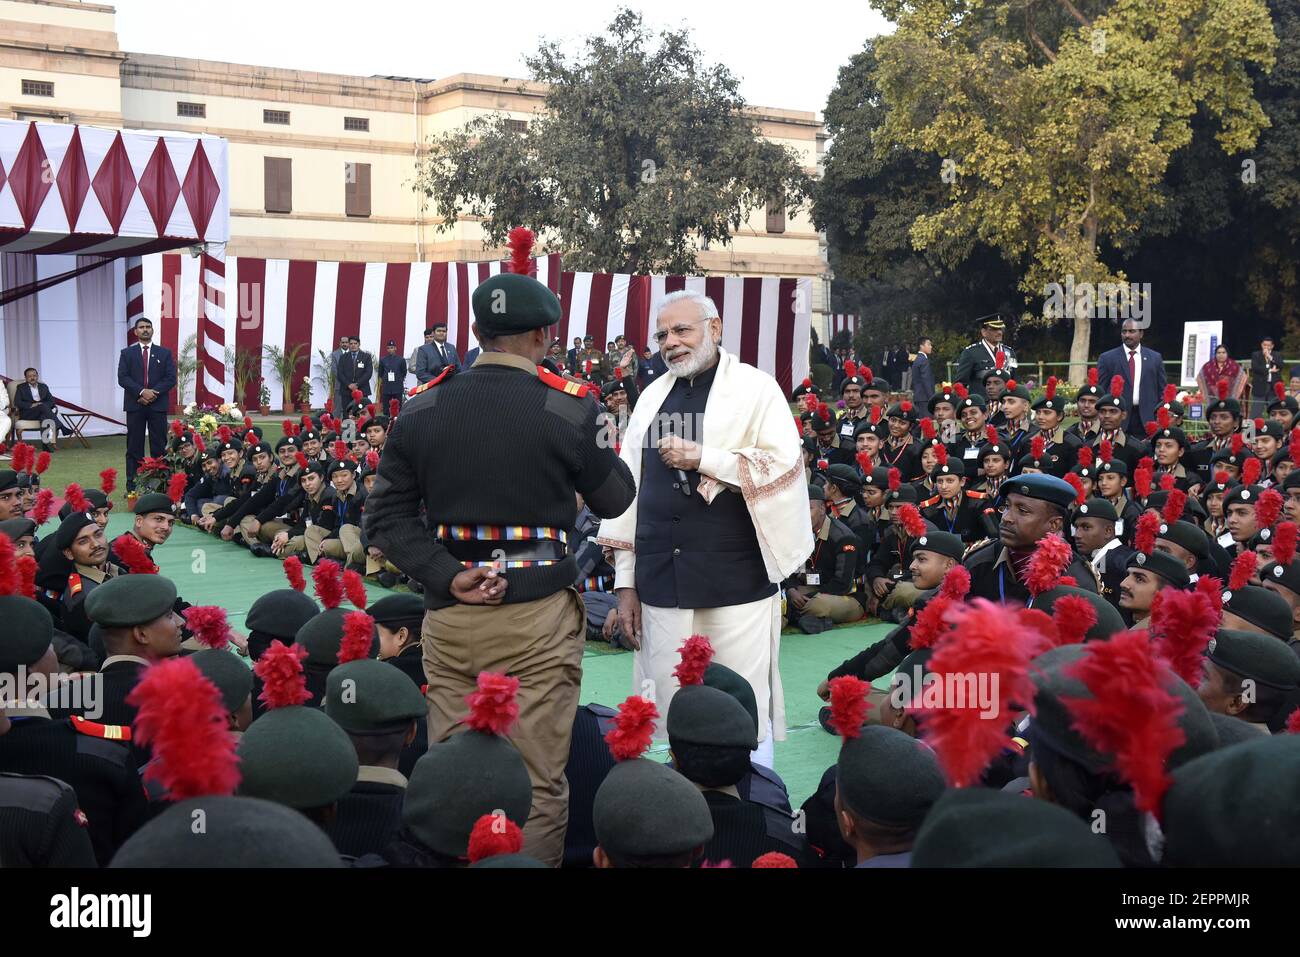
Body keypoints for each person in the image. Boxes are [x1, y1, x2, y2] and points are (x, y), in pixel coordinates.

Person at [365, 229, 636, 866]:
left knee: (456, 769)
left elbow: (385, 519)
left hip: (452, 611)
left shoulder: (422, 408)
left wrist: (444, 572)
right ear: (543, 337)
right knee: (538, 777)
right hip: (538, 608)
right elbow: (617, 499)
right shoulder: (572, 408)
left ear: (479, 335)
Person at [599, 289, 813, 760]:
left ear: (714, 329)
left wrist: (707, 459)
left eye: (682, 330)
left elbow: (785, 467)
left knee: (740, 707)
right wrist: (625, 584)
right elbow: (628, 492)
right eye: (662, 334)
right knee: (675, 708)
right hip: (660, 584)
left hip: (735, 580)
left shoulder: (756, 389)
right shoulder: (651, 398)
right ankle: (684, 815)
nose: (671, 342)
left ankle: (753, 816)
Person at [117, 317, 176, 493]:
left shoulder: (164, 353)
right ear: (135, 331)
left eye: (148, 327)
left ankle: (160, 484)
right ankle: (133, 485)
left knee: (159, 445)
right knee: (134, 446)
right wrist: (142, 392)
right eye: (141, 327)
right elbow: (123, 378)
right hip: (135, 405)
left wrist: (152, 393)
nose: (145, 330)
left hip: (157, 406)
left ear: (152, 330)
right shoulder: (126, 353)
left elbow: (170, 378)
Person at [1096, 318, 1166, 438]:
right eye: (1124, 332)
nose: (1127, 335)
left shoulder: (1155, 358)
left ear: (1141, 334)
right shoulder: (1107, 358)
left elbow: (1162, 391)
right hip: (1117, 419)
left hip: (1147, 420)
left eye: (1132, 331)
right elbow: (1101, 391)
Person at [953, 315, 1016, 397]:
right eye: (994, 329)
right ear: (984, 332)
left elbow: (1014, 379)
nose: (999, 332)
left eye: (1000, 329)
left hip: (1004, 404)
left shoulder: (1009, 352)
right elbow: (960, 383)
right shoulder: (971, 352)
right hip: (982, 405)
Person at [14, 367, 59, 451]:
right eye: (29, 376)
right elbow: (17, 402)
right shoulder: (21, 387)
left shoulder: (44, 387)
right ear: (26, 378)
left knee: (44, 418)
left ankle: (45, 445)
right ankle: (59, 425)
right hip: (28, 413)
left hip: (42, 412)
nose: (32, 378)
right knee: (42, 407)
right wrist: (32, 405)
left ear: (37, 376)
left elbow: (52, 401)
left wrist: (42, 405)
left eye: (34, 375)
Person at [336, 337, 374, 410]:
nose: (353, 345)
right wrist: (349, 384)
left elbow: (368, 373)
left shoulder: (366, 357)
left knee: (362, 412)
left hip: (362, 389)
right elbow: (340, 374)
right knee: (347, 412)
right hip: (346, 390)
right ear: (349, 345)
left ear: (359, 344)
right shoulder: (343, 357)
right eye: (351, 344)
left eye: (355, 343)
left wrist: (357, 384)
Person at [1251, 336, 1283, 418]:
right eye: (1265, 345)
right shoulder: (1256, 355)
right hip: (1260, 387)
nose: (1266, 347)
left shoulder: (1277, 355)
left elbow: (1280, 366)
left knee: (1273, 412)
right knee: (1256, 412)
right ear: (1261, 345)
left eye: (1269, 345)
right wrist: (1269, 370)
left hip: (1273, 388)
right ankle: (1254, 428)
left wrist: (1270, 357)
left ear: (1272, 346)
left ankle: (1273, 428)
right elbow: (1255, 368)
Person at [378, 340, 407, 411]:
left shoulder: (401, 360)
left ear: (395, 348)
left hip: (397, 386)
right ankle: (386, 418)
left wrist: (399, 379)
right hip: (387, 386)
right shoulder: (383, 360)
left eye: (392, 347)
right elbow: (380, 373)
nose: (390, 349)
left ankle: (397, 419)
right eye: (388, 348)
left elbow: (404, 372)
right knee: (386, 406)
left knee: (398, 405)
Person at [910, 337, 935, 409]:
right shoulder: (923, 360)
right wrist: (932, 397)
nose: (931, 347)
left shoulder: (918, 358)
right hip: (925, 397)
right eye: (929, 344)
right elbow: (926, 380)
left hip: (919, 397)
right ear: (921, 346)